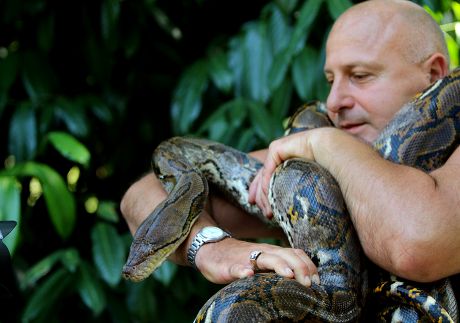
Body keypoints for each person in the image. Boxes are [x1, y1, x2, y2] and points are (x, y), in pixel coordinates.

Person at [121, 0, 459, 291]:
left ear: (433, 74)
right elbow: (144, 195)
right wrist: (211, 246)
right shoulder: (311, 159)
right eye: (330, 80)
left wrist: (323, 142)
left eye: (360, 75)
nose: (333, 101)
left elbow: (416, 243)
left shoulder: (322, 144)